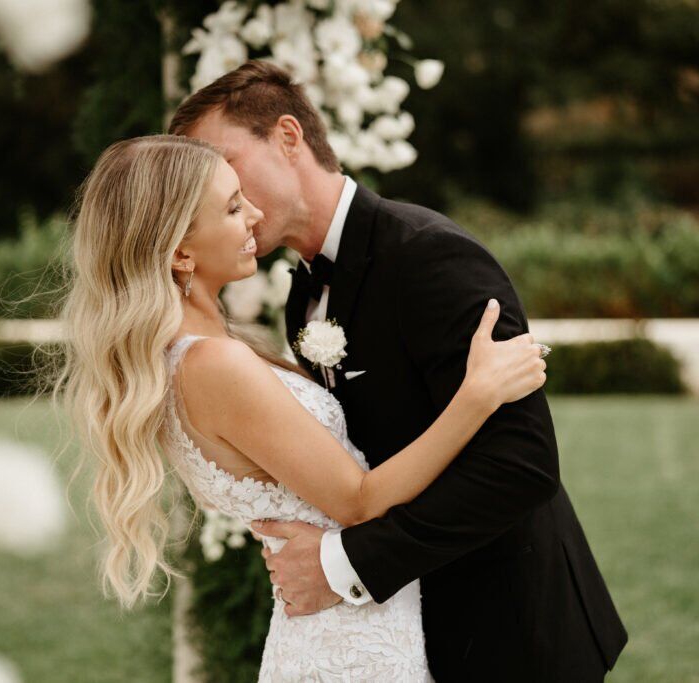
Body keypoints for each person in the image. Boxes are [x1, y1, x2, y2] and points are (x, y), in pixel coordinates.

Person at [168, 59, 628, 681]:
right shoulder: (302, 295)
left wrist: (347, 563)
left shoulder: (429, 255)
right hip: (401, 631)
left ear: (288, 137)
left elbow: (522, 463)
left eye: (226, 164)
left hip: (506, 626)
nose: (229, 193)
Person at [56, 132, 546, 680]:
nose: (254, 215)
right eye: (233, 207)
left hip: (345, 619)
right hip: (349, 641)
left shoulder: (183, 358)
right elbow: (358, 500)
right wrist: (476, 395)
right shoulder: (215, 365)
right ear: (180, 253)